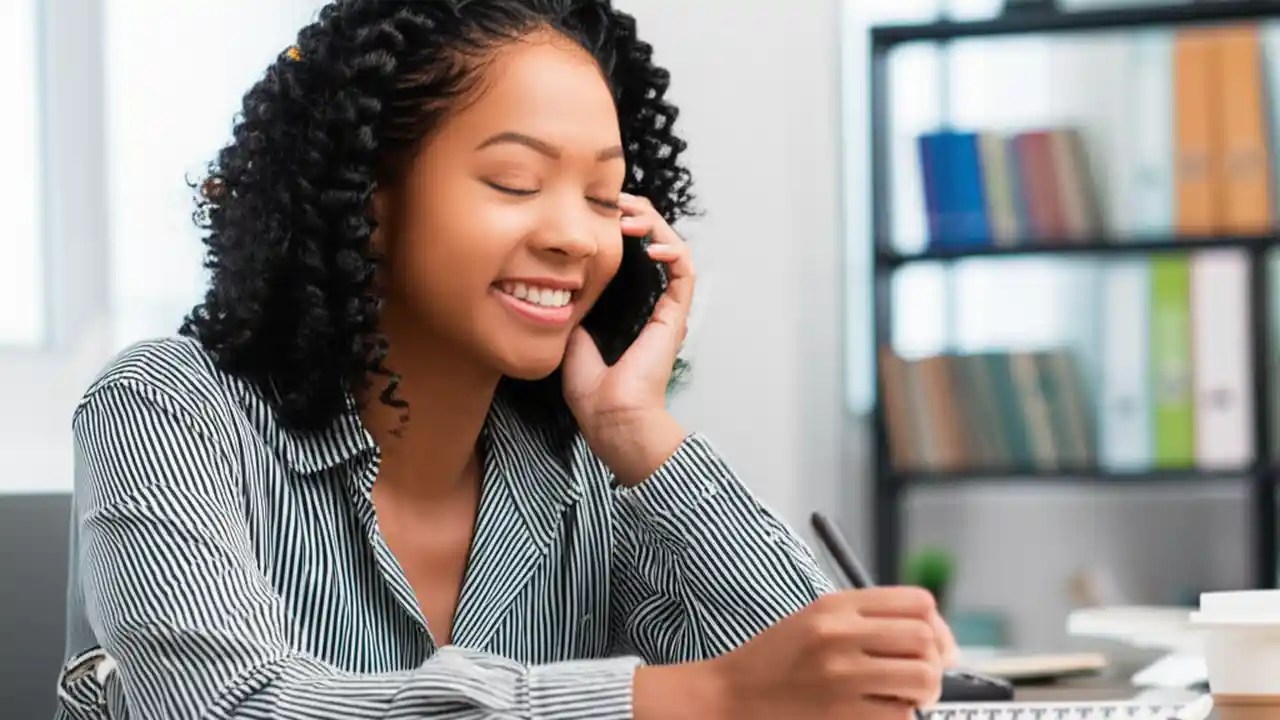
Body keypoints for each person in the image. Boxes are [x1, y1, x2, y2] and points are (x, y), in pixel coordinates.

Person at [55, 1, 958, 718]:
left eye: (604, 197)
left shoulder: (578, 470)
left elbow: (822, 696)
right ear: (366, 198)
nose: (576, 237)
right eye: (514, 182)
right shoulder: (165, 409)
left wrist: (640, 434)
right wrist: (694, 697)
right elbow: (231, 705)